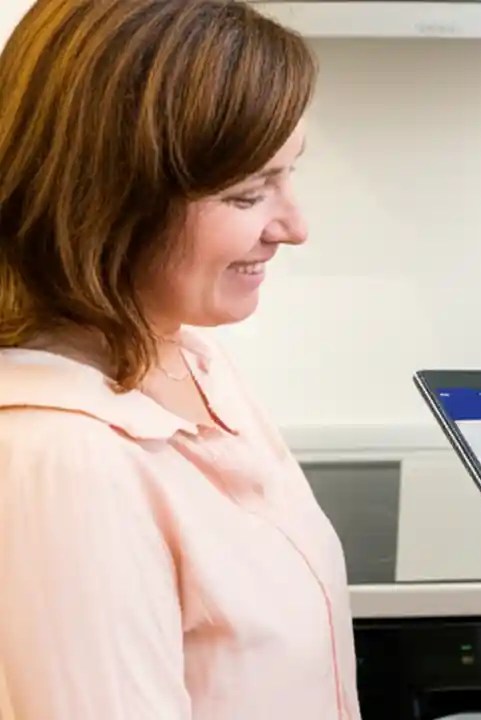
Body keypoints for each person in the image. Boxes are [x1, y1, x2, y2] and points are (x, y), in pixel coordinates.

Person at [0, 1, 362, 718]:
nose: (294, 227)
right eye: (247, 193)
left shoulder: (193, 362)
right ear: (108, 199)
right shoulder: (64, 460)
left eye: (289, 176)